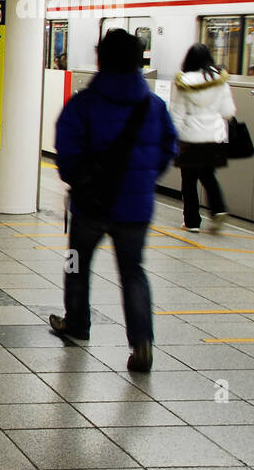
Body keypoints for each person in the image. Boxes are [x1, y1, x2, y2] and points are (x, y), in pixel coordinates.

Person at [50, 29, 177, 374]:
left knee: (77, 263)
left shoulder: (84, 102)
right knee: (133, 272)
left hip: (91, 204)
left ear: (100, 58)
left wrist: (77, 180)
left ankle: (76, 322)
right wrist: (144, 179)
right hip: (135, 209)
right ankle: (142, 343)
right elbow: (169, 148)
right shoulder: (154, 106)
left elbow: (67, 150)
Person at [171, 44, 236, 233]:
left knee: (189, 180)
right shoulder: (220, 81)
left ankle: (191, 221)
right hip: (215, 136)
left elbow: (177, 114)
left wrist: (173, 136)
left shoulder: (183, 82)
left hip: (190, 137)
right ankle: (219, 209)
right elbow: (228, 112)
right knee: (208, 175)